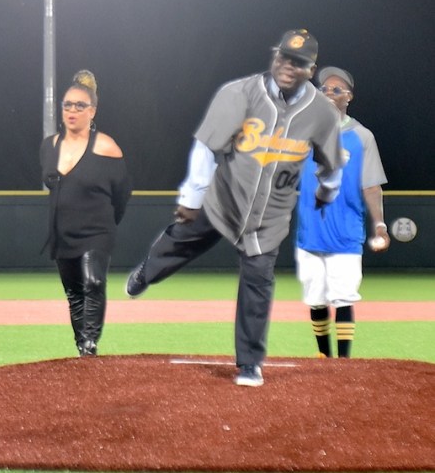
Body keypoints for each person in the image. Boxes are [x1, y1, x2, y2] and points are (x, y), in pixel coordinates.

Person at [124, 29, 343, 387]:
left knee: (258, 281)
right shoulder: (239, 93)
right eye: (284, 57)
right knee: (180, 243)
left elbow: (331, 164)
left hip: (269, 217)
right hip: (223, 200)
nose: (287, 66)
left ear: (311, 69)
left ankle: (250, 363)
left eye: (298, 62)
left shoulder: (321, 113)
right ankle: (147, 273)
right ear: (275, 55)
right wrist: (192, 198)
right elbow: (206, 147)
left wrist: (328, 192)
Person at [294, 66, 389, 358]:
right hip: (310, 233)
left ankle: (343, 364)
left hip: (346, 232)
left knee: (344, 297)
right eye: (323, 89)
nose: (328, 93)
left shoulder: (362, 137)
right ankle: (324, 359)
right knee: (316, 299)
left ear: (349, 96)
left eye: (336, 89)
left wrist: (380, 225)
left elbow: (371, 186)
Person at [40, 70, 133, 357]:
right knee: (74, 293)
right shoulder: (49, 146)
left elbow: (122, 193)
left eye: (80, 105)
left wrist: (108, 224)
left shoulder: (106, 147)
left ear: (92, 111)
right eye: (67, 105)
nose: (72, 110)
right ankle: (83, 349)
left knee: (93, 282)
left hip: (96, 230)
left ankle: (91, 342)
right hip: (62, 231)